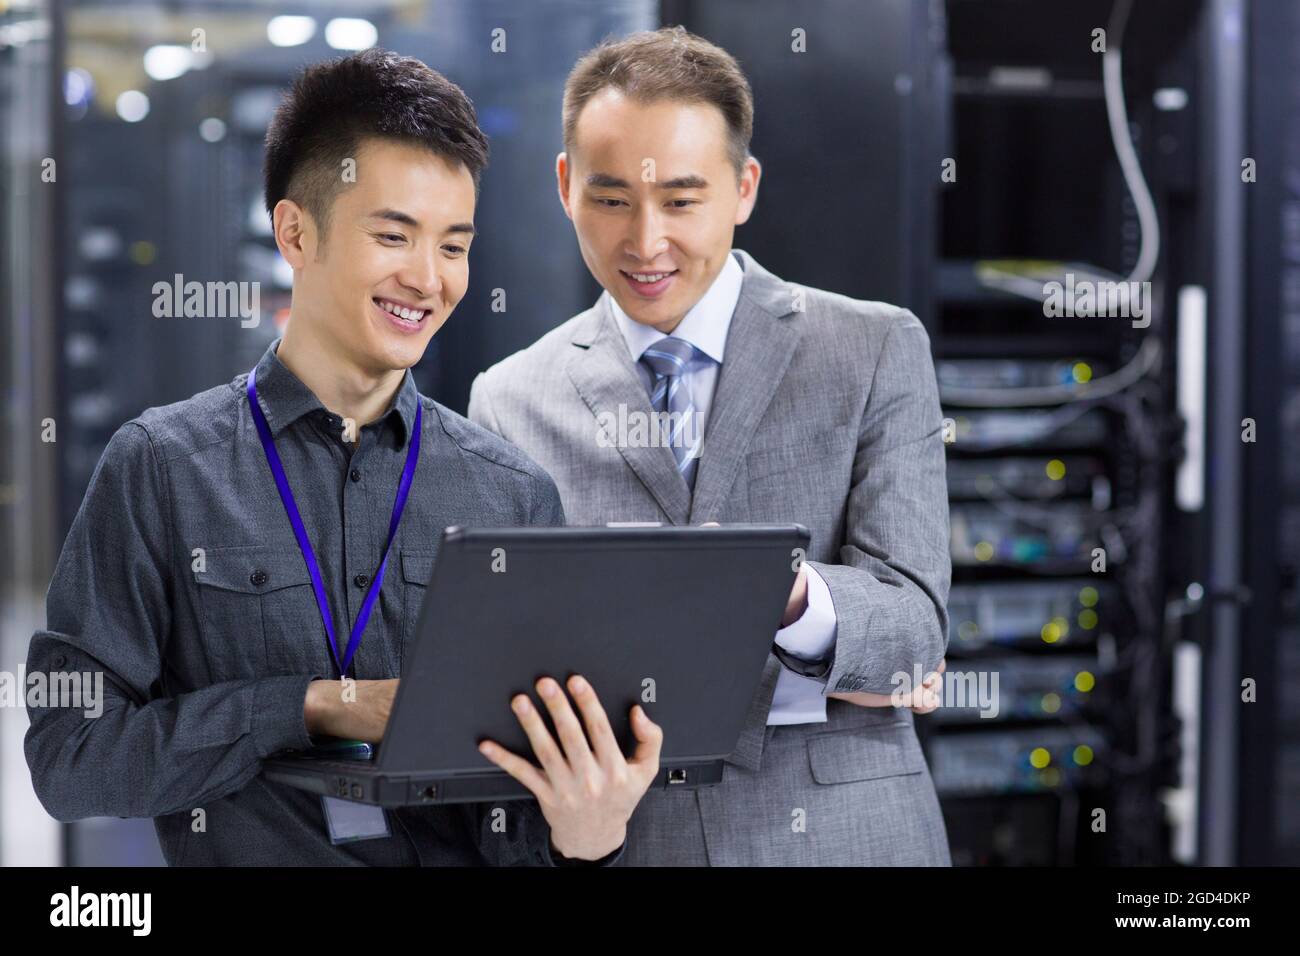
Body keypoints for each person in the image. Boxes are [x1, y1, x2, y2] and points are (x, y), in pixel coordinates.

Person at [24, 49, 660, 866]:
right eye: (394, 234)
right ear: (296, 231)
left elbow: (526, 821)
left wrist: (589, 835)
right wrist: (312, 707)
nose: (428, 278)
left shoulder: (512, 495)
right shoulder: (163, 469)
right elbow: (72, 762)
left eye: (454, 246)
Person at [469, 27, 952, 865]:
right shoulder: (511, 399)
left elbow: (913, 632)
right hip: (632, 842)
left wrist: (784, 593)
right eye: (612, 198)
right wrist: (834, 670)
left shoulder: (870, 349)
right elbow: (505, 679)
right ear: (564, 186)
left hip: (848, 839)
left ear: (744, 188)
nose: (646, 243)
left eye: (682, 201)